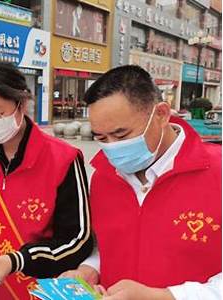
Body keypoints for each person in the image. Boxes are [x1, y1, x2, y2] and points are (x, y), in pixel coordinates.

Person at [60, 65, 221, 299]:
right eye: (101, 138)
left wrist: (163, 296)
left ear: (161, 114)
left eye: (122, 135)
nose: (113, 147)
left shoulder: (217, 173)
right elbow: (108, 246)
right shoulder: (103, 177)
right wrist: (90, 269)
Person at [0, 62, 93, 299]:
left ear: (21, 104)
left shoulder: (63, 159)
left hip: (39, 290)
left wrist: (18, 260)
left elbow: (77, 240)